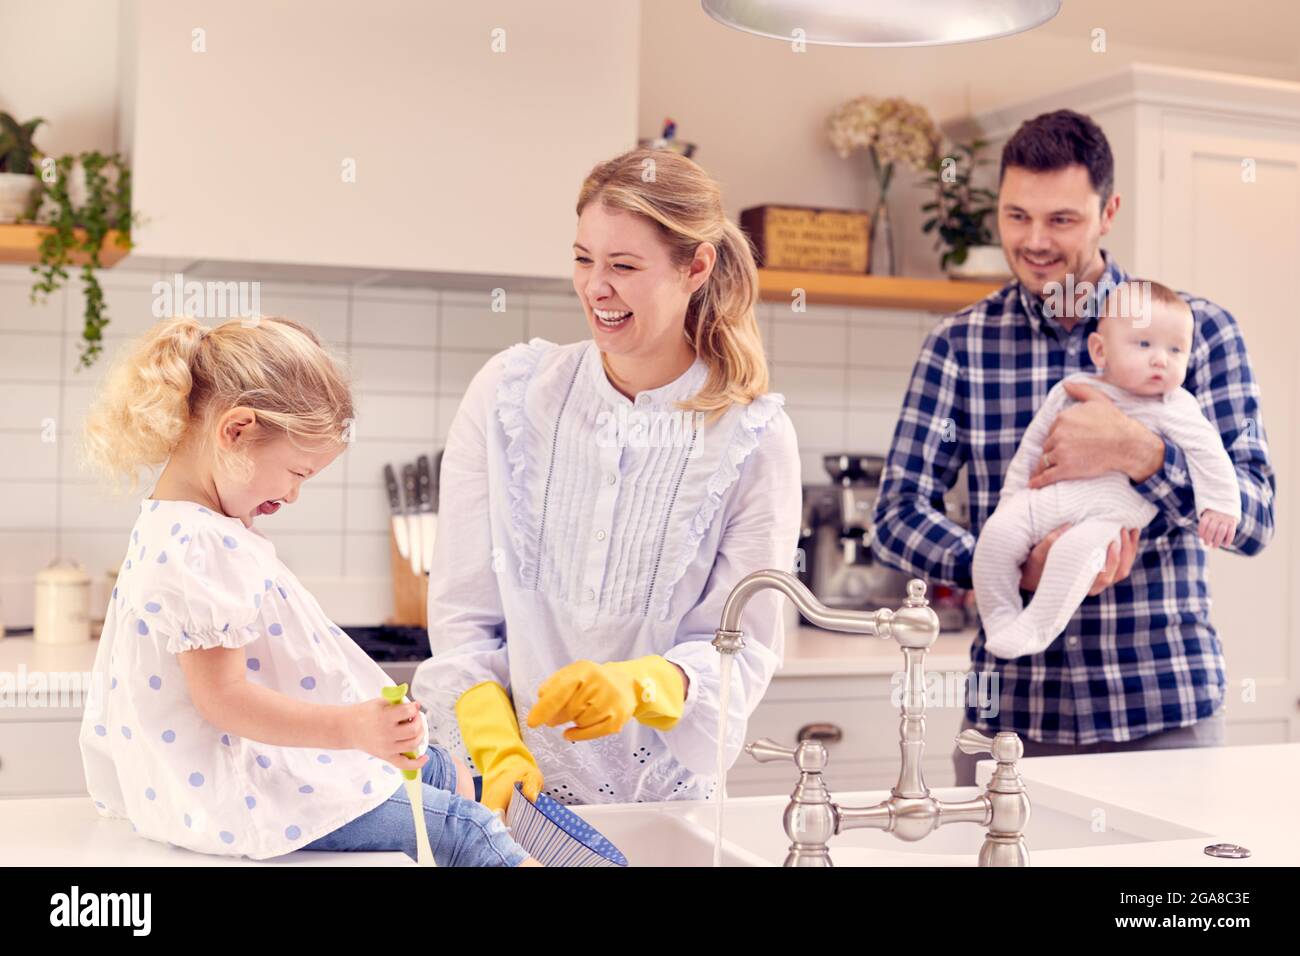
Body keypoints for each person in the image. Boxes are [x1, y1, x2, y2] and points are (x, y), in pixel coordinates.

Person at [870, 110, 1275, 786]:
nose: (1034, 242)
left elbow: (1254, 520)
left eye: (1061, 220)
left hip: (1165, 715)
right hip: (1010, 725)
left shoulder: (1194, 335)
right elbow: (895, 515)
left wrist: (1139, 454)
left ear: (1108, 211)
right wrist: (1012, 563)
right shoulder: (959, 345)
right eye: (1016, 216)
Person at [412, 147, 803, 811]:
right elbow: (463, 612)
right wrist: (492, 741)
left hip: (669, 810)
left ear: (696, 266)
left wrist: (646, 686)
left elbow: (744, 648)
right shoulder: (510, 396)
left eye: (623, 266)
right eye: (584, 259)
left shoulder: (754, 439)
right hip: (513, 802)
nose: (597, 287)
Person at [78, 315, 536, 865]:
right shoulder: (195, 545)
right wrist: (352, 727)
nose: (294, 495)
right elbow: (223, 699)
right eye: (297, 471)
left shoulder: (201, 524)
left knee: (438, 767)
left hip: (254, 772)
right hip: (238, 797)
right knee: (467, 830)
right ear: (236, 430)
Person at [973, 280, 1240, 660]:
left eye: (1176, 349)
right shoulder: (1071, 389)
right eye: (1144, 344)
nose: (1161, 359)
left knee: (1074, 554)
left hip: (1108, 516)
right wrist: (1013, 498)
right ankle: (1000, 616)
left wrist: (1220, 505)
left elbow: (1209, 452)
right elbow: (1032, 446)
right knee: (996, 537)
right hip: (1046, 499)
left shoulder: (1175, 406)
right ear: (1101, 350)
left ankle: (1036, 627)